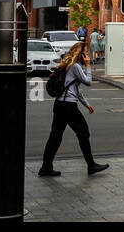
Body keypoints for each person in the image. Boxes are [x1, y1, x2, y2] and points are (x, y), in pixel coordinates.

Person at [38, 40, 109, 177]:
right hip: (68, 106)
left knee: (55, 136)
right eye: (86, 53)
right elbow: (88, 82)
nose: (87, 55)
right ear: (80, 54)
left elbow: (74, 88)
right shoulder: (75, 66)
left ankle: (46, 167)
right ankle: (91, 165)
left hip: (59, 104)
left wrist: (86, 104)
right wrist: (88, 66)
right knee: (83, 132)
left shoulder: (66, 65)